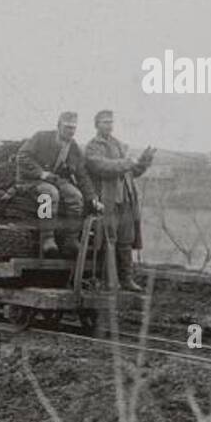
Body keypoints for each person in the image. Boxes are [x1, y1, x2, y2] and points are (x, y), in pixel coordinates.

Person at [84, 109, 154, 291]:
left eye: (111, 122)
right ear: (96, 125)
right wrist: (128, 162)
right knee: (109, 240)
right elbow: (102, 166)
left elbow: (132, 172)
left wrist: (145, 161)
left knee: (126, 241)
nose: (109, 125)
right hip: (107, 201)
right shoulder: (93, 147)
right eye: (105, 122)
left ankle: (126, 280)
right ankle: (109, 281)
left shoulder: (120, 146)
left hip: (126, 200)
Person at [16, 111, 100, 256]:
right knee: (49, 194)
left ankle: (71, 240)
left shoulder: (72, 146)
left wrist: (92, 197)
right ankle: (47, 238)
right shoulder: (41, 137)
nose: (71, 131)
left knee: (76, 196)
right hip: (30, 180)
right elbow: (22, 156)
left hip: (54, 180)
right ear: (58, 125)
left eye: (73, 128)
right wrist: (40, 173)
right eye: (67, 127)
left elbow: (81, 174)